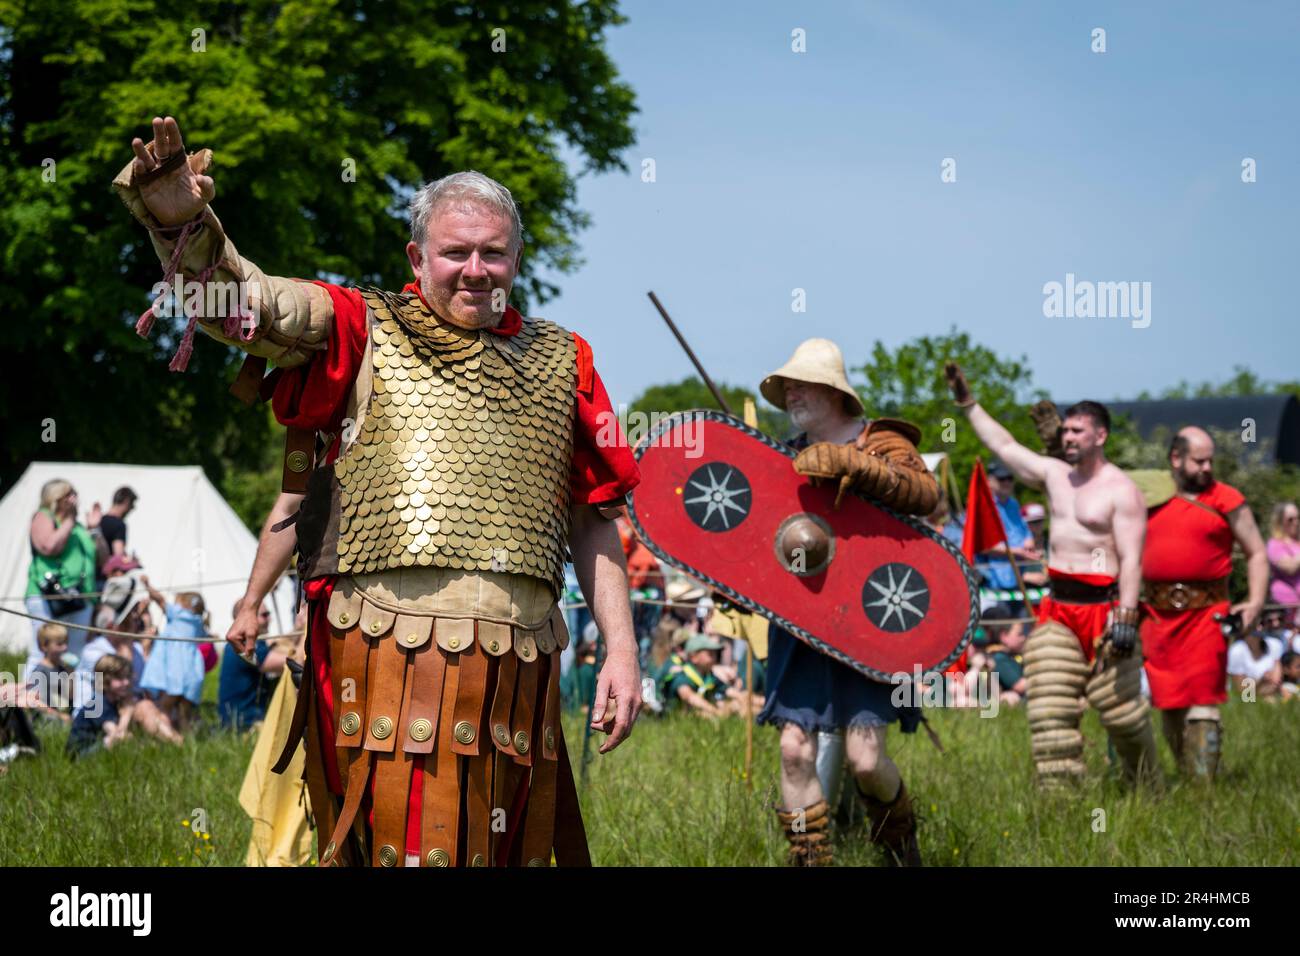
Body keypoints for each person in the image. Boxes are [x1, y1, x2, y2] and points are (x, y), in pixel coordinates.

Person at [116, 115, 642, 867]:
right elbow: (252, 308)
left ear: (517, 260)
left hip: (519, 670)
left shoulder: (565, 361)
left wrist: (622, 651)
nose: (475, 270)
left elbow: (595, 520)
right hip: (385, 656)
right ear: (417, 257)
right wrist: (182, 222)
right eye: (455, 252)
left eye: (494, 254)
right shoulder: (361, 325)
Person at [758, 338, 939, 867]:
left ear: (833, 391)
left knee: (865, 760)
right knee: (794, 751)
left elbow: (926, 495)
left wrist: (856, 466)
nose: (790, 392)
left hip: (870, 621)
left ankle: (902, 850)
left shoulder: (880, 441)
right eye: (786, 384)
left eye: (801, 383)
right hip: (802, 622)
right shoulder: (783, 457)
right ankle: (810, 862)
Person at [946, 364, 1157, 787]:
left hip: (1106, 607)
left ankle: (1144, 785)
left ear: (1101, 436)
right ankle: (1061, 799)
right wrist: (968, 404)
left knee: (1121, 714)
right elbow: (1004, 446)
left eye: (1078, 431)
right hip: (1059, 607)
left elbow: (1132, 559)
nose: (1068, 437)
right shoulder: (1054, 476)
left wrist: (1128, 618)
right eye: (1067, 431)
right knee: (1049, 710)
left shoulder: (1122, 490)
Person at [1140, 427, 1269, 781]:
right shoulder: (1148, 496)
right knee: (1169, 705)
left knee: (1202, 705)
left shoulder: (1226, 498)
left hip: (1207, 616)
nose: (1208, 467)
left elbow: (1257, 552)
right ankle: (1185, 774)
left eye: (1210, 460)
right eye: (1199, 461)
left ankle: (1203, 789)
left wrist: (1254, 601)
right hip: (1157, 616)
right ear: (1176, 459)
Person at [25, 479, 97, 674]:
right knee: (43, 650)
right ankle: (29, 700)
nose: (74, 499)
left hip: (79, 597)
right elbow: (49, 546)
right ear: (56, 497)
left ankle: (71, 700)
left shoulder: (79, 527)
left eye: (75, 494)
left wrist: (94, 530)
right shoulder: (43, 517)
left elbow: (101, 559)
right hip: (47, 595)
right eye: (69, 495)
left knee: (75, 652)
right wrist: (68, 521)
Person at [138, 588, 208, 732]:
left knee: (166, 704)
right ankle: (185, 734)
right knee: (184, 707)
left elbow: (159, 599)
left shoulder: (178, 614)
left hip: (176, 664)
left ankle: (164, 729)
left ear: (185, 605)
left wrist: (147, 585)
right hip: (191, 665)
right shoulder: (198, 621)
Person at [219, 599, 288, 729]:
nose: (269, 618)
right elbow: (293, 662)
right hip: (245, 724)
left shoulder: (242, 643)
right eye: (264, 615)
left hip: (239, 721)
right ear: (246, 618)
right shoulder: (244, 644)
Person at [25, 623, 74, 723]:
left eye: (66, 643)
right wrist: (59, 716)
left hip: (62, 713)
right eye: (59, 644)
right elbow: (34, 702)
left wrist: (71, 674)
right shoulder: (40, 671)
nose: (65, 647)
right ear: (44, 647)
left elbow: (70, 696)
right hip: (45, 719)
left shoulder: (63, 668)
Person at [1266, 502, 1300, 627]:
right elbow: (1290, 568)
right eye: (1290, 519)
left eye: (1297, 518)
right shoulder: (1275, 544)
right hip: (1287, 611)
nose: (1295, 522)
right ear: (1280, 521)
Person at [1226, 629, 1284, 699]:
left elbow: (1275, 683)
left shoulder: (1274, 644)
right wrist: (1262, 680)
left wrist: (1254, 685)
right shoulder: (1237, 650)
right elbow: (1244, 693)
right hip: (1250, 698)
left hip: (1265, 694)